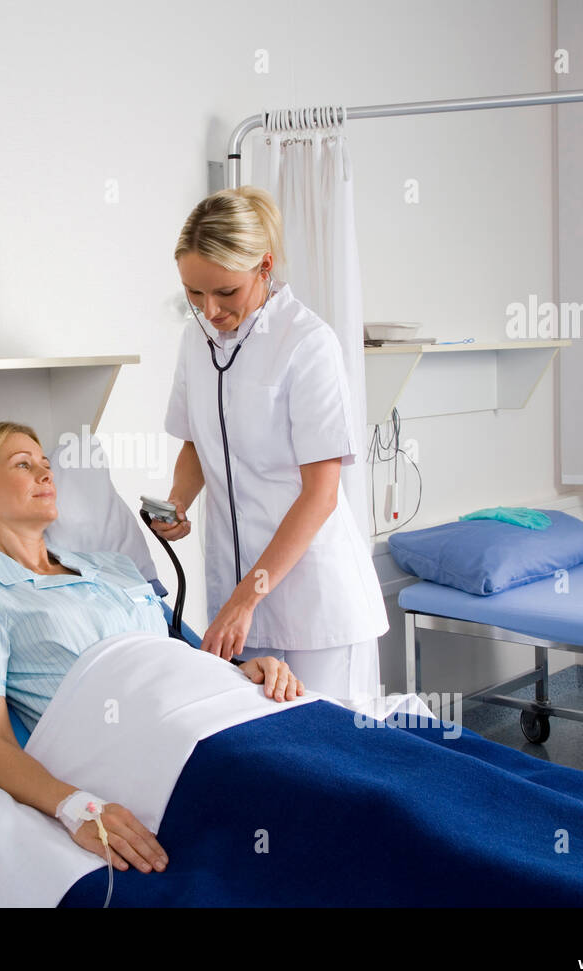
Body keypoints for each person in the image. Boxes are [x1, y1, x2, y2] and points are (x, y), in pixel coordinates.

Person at [0, 420, 306, 877]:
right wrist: (75, 808)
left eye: (46, 464)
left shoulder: (114, 566)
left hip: (234, 709)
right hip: (172, 750)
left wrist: (243, 670)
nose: (46, 475)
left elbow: (172, 658)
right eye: (23, 465)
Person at [155, 185, 387, 701]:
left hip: (313, 604)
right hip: (238, 599)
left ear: (264, 266)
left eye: (226, 293)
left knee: (334, 760)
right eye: (194, 293)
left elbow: (321, 494)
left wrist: (247, 597)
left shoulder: (307, 343)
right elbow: (197, 441)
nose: (210, 310)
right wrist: (176, 502)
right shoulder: (196, 341)